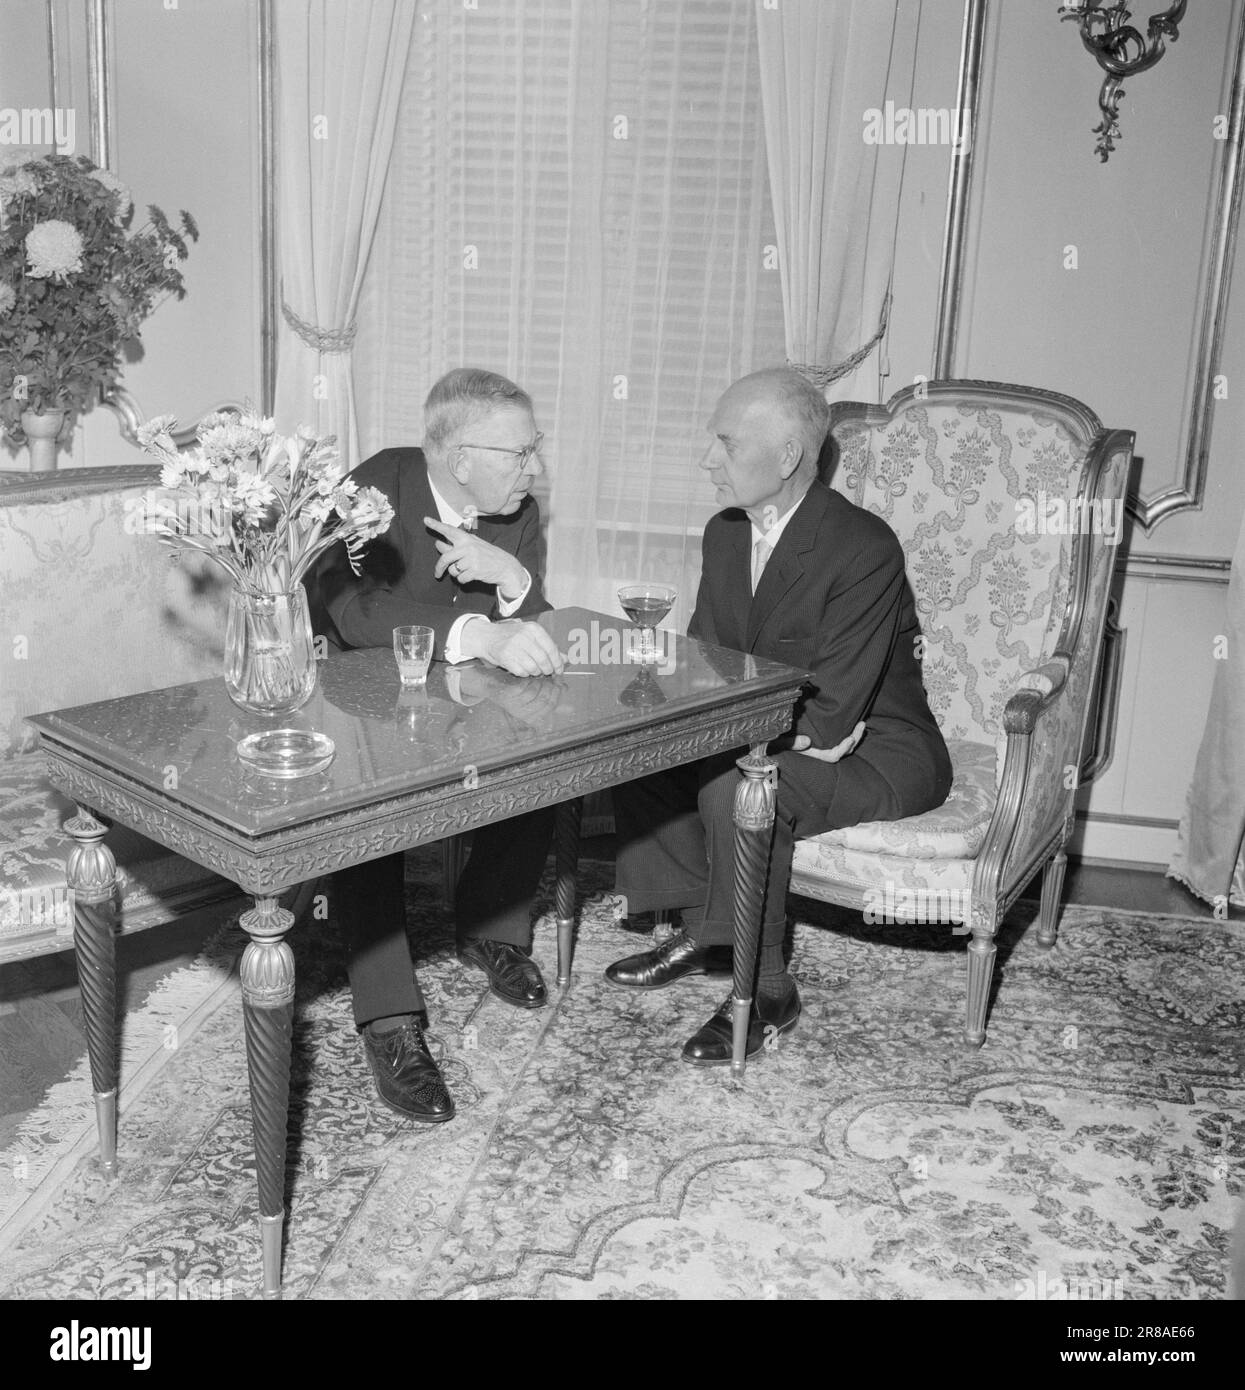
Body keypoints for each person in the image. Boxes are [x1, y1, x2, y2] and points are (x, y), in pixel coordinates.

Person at [606, 367, 952, 1066]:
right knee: (633, 747)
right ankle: (707, 933)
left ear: (788, 457)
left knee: (739, 791)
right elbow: (709, 659)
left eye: (726, 444)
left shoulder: (862, 546)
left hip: (879, 746)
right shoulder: (725, 533)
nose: (707, 459)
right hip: (777, 725)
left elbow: (831, 715)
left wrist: (747, 734)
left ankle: (764, 988)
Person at [310, 367, 564, 1122]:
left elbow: (533, 628)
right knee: (366, 818)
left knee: (544, 744)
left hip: (459, 693)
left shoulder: (510, 505)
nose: (535, 469)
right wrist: (477, 628)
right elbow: (354, 610)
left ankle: (490, 926)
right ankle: (389, 1022)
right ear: (460, 458)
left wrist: (512, 578)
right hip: (355, 694)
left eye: (534, 450)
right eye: (520, 453)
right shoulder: (369, 491)